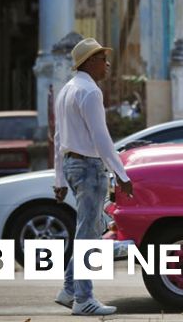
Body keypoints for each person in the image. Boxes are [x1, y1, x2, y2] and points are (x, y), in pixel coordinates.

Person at [52, 38, 134, 316]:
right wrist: (120, 174)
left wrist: (60, 178)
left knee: (88, 228)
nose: (107, 64)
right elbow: (101, 138)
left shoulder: (67, 90)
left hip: (73, 167)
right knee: (89, 234)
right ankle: (83, 299)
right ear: (89, 62)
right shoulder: (90, 92)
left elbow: (58, 138)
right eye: (102, 58)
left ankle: (70, 290)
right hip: (88, 168)